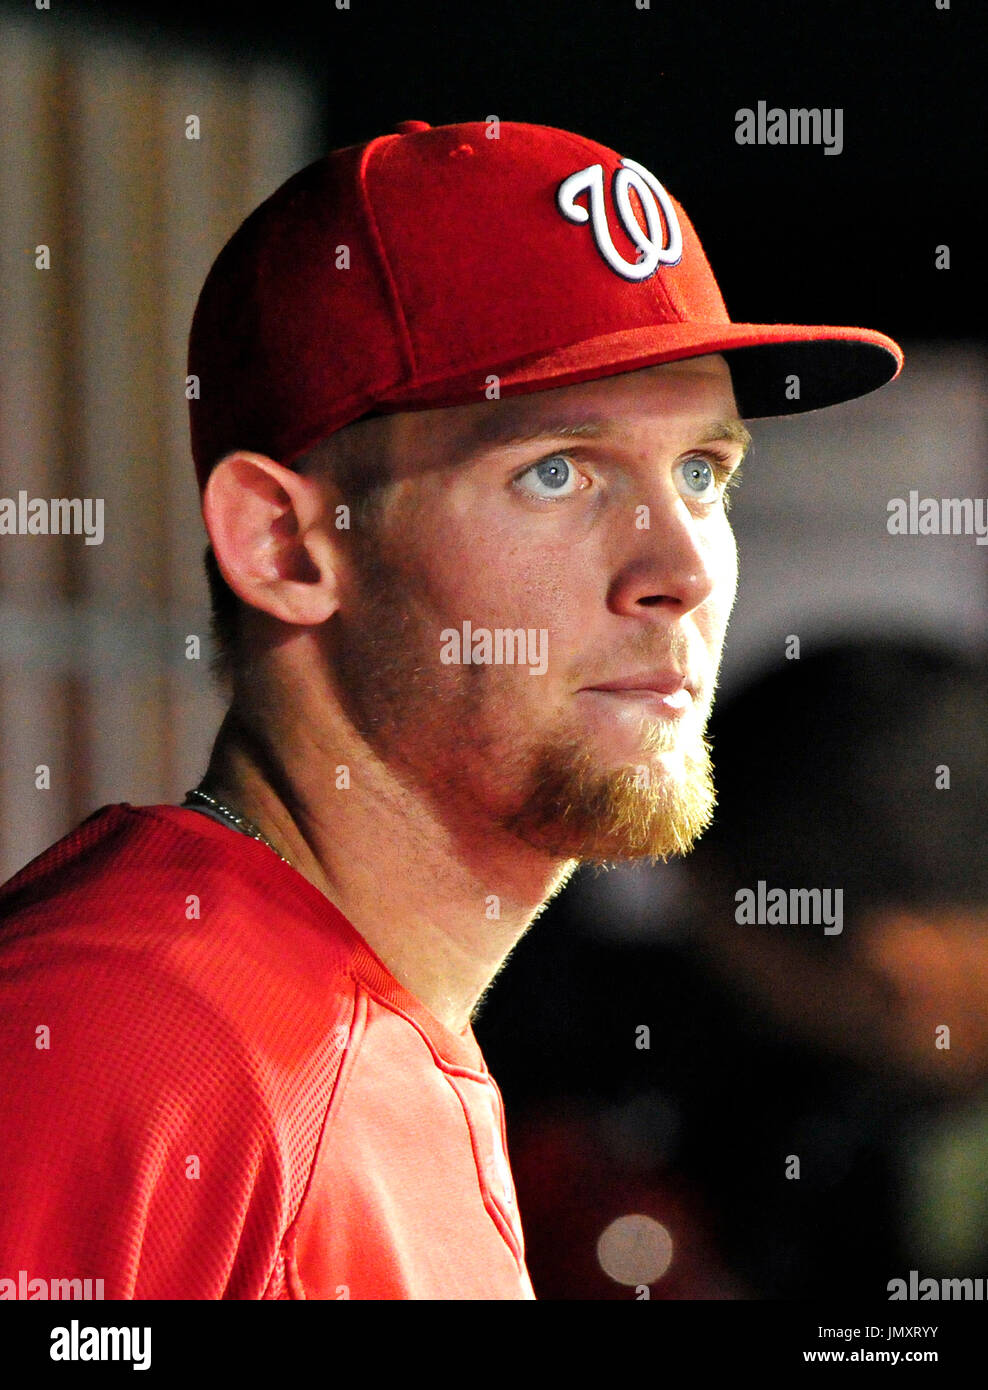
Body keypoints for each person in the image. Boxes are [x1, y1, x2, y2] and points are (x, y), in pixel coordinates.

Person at [0, 118, 903, 1300]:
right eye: (556, 468)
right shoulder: (134, 1035)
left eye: (702, 471)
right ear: (284, 543)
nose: (681, 565)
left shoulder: (355, 1021)